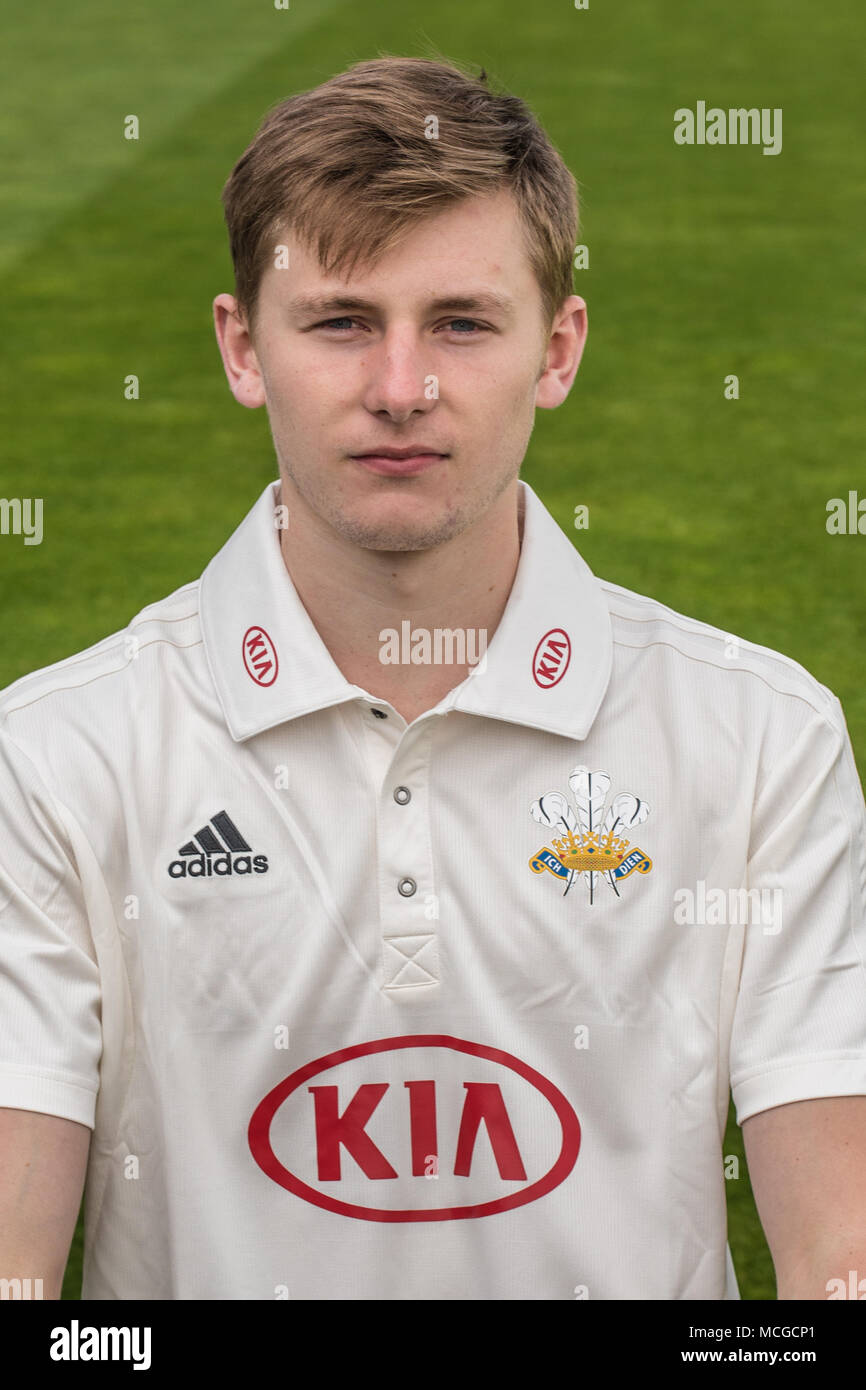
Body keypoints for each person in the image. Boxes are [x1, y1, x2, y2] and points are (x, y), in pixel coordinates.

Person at [1, 55, 864, 1302]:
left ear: (555, 350)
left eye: (459, 323)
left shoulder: (759, 734)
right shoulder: (56, 755)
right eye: (342, 322)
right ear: (243, 348)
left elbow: (839, 1265)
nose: (400, 390)